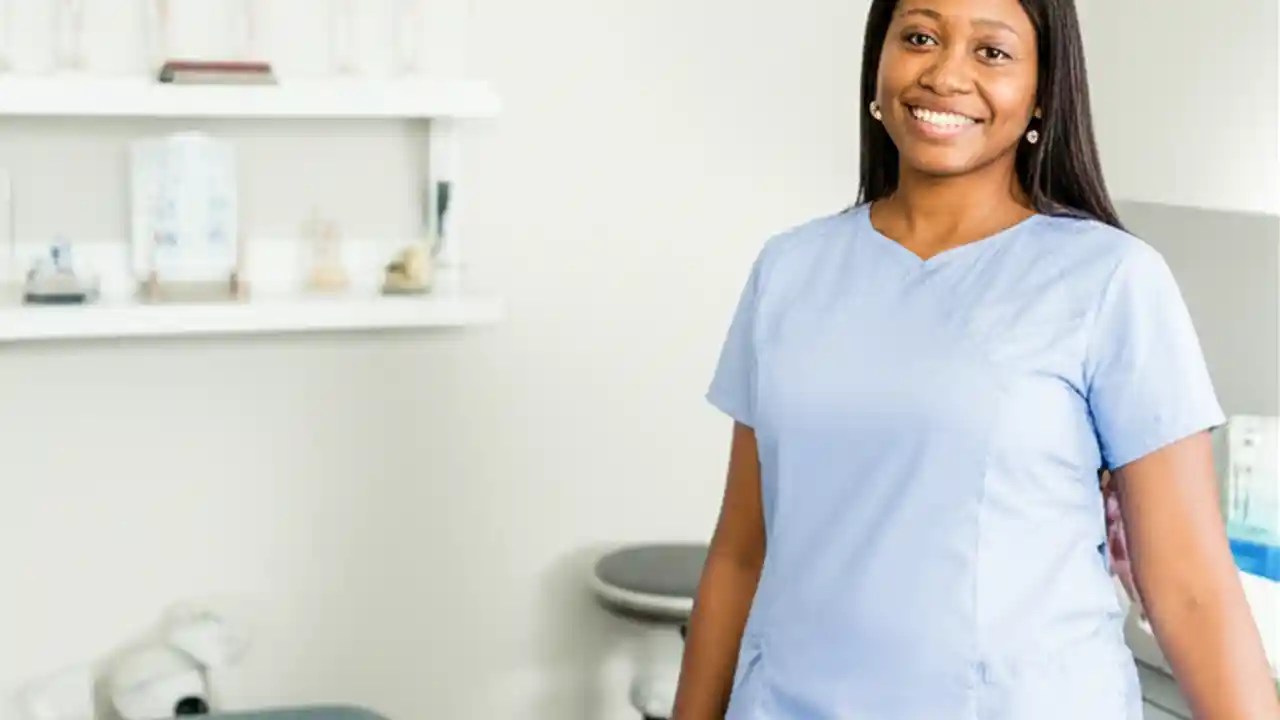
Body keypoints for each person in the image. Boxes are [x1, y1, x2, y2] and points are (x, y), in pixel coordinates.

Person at [672, 0, 1280, 718]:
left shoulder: (1111, 281)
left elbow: (1191, 589)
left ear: (1041, 93)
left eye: (991, 52)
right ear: (878, 64)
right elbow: (741, 556)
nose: (945, 73)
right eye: (920, 37)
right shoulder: (789, 271)